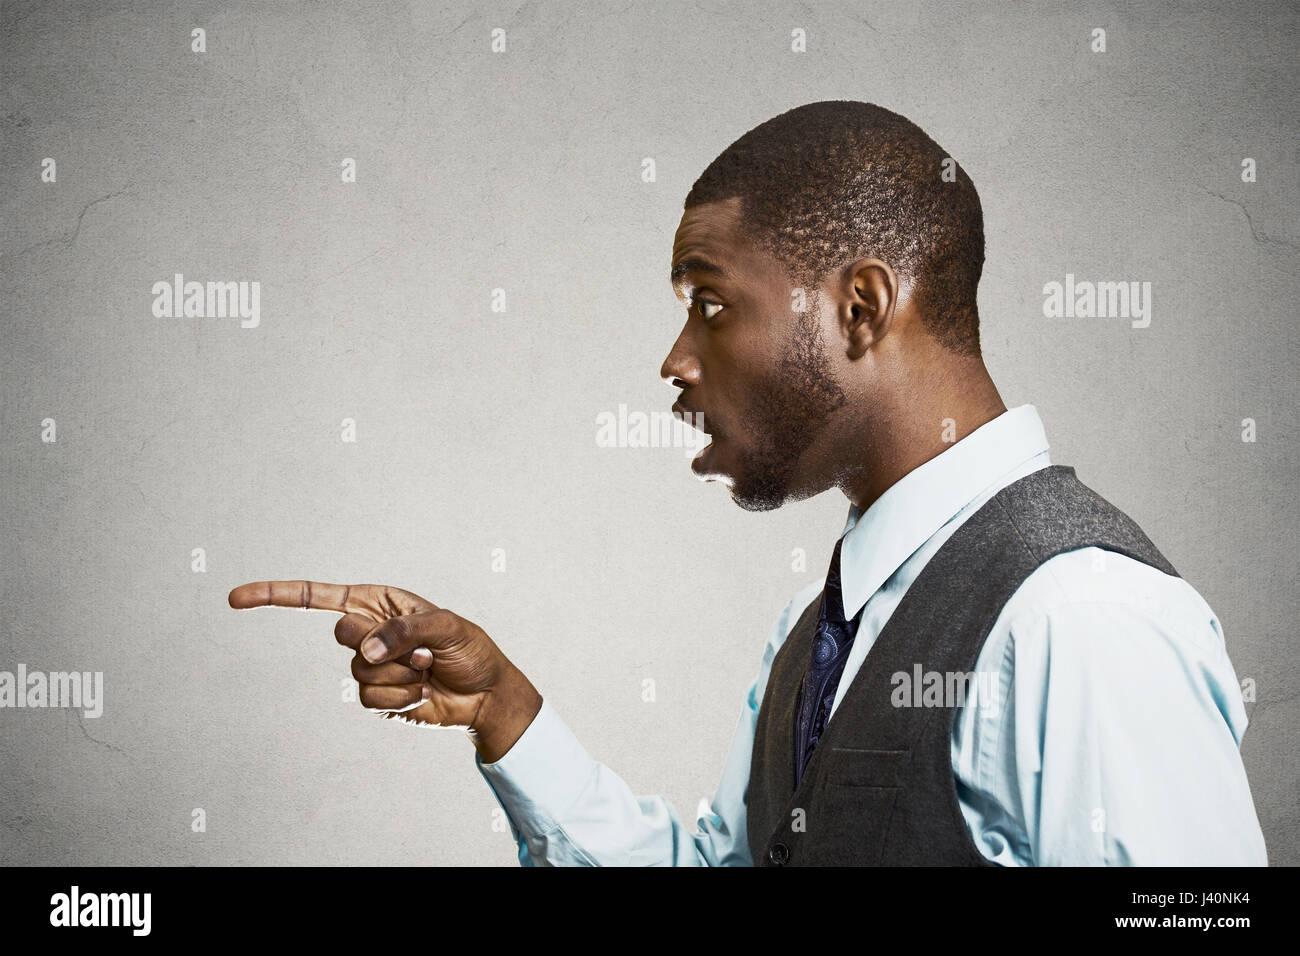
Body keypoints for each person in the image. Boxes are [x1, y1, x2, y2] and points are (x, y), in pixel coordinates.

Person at [229, 101, 1267, 866]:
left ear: (860, 307)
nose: (676, 360)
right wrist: (505, 709)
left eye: (711, 304)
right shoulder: (813, 633)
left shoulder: (1080, 619)